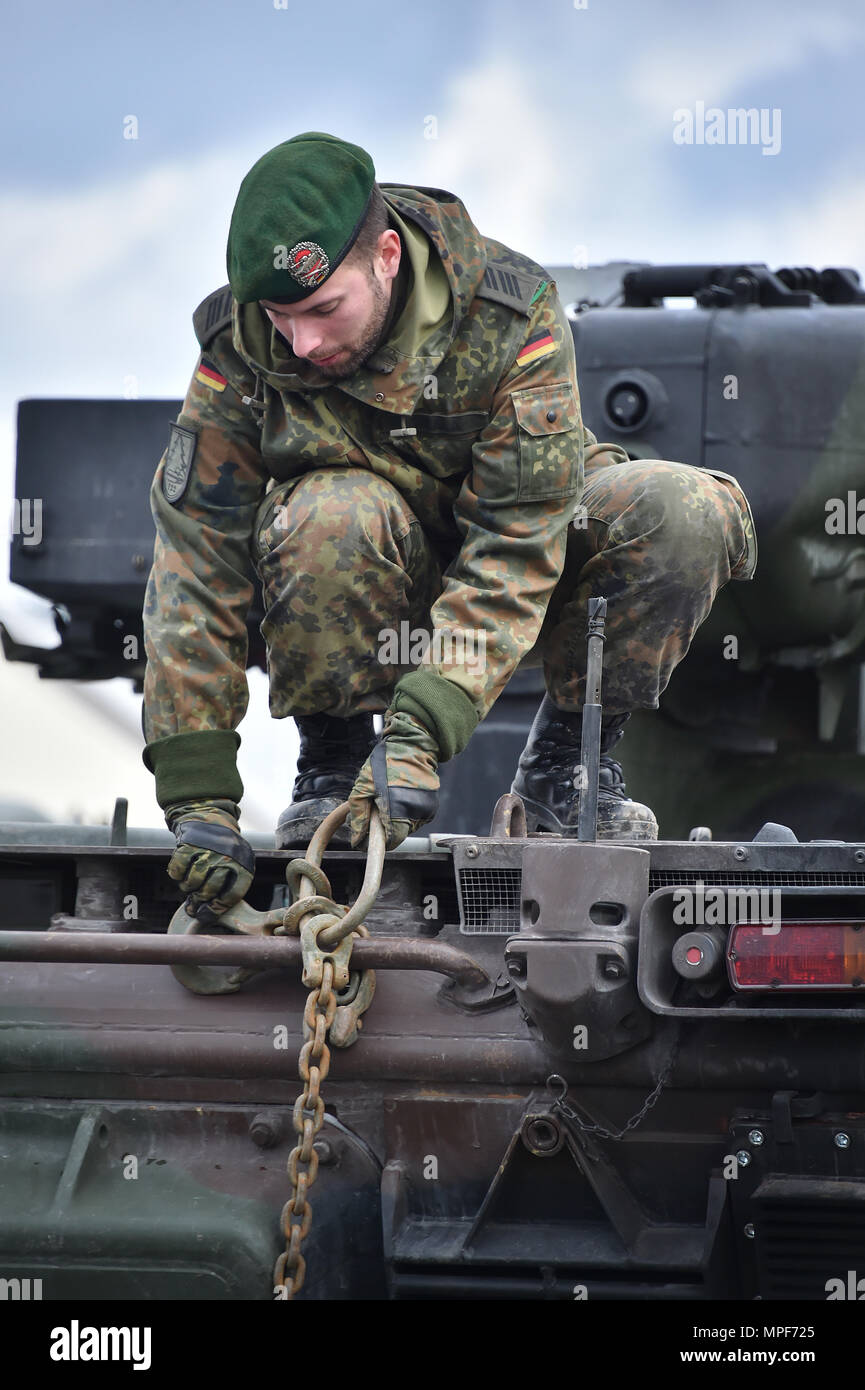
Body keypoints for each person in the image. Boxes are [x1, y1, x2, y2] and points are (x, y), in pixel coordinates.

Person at [141, 131, 757, 922]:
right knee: (330, 512)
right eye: (280, 315)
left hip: (526, 553)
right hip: (361, 560)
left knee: (678, 509)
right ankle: (329, 760)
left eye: (324, 309)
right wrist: (198, 798)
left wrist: (418, 736)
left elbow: (513, 543)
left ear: (388, 257)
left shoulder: (509, 314)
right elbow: (197, 560)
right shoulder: (241, 345)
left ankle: (567, 765)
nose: (302, 342)